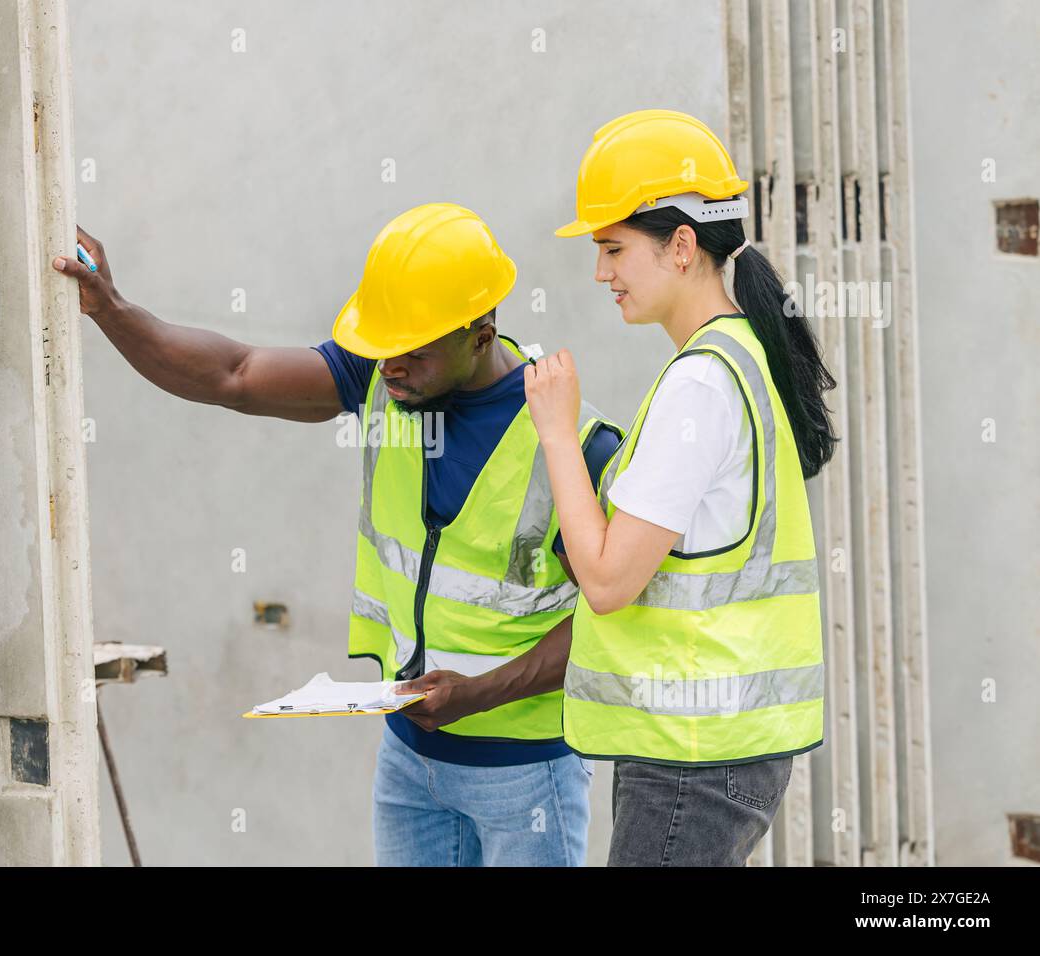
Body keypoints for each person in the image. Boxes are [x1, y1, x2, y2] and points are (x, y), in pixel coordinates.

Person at [52, 202, 623, 866]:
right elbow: (231, 375)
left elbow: (609, 619)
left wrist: (480, 693)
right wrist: (113, 310)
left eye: (412, 348)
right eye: (381, 347)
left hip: (525, 774)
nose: (390, 366)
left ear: (481, 331)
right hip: (411, 765)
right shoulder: (386, 379)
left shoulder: (573, 445)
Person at [523, 109, 839, 866]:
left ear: (683, 247)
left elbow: (607, 580)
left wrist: (558, 433)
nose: (602, 273)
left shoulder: (701, 382)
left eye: (613, 249)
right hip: (710, 744)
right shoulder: (735, 355)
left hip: (693, 755)